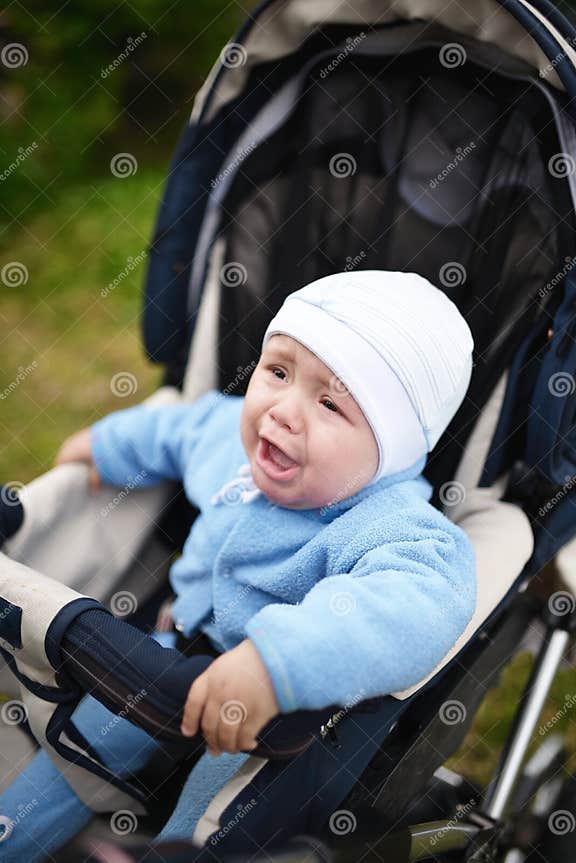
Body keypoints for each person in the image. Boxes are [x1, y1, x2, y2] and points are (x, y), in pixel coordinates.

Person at [0, 270, 476, 861]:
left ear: (393, 448)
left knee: (214, 823)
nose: (282, 411)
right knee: (84, 742)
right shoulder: (233, 438)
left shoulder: (391, 525)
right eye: (277, 372)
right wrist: (108, 446)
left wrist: (277, 662)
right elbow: (179, 426)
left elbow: (416, 602)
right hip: (164, 657)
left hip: (259, 730)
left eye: (330, 404)